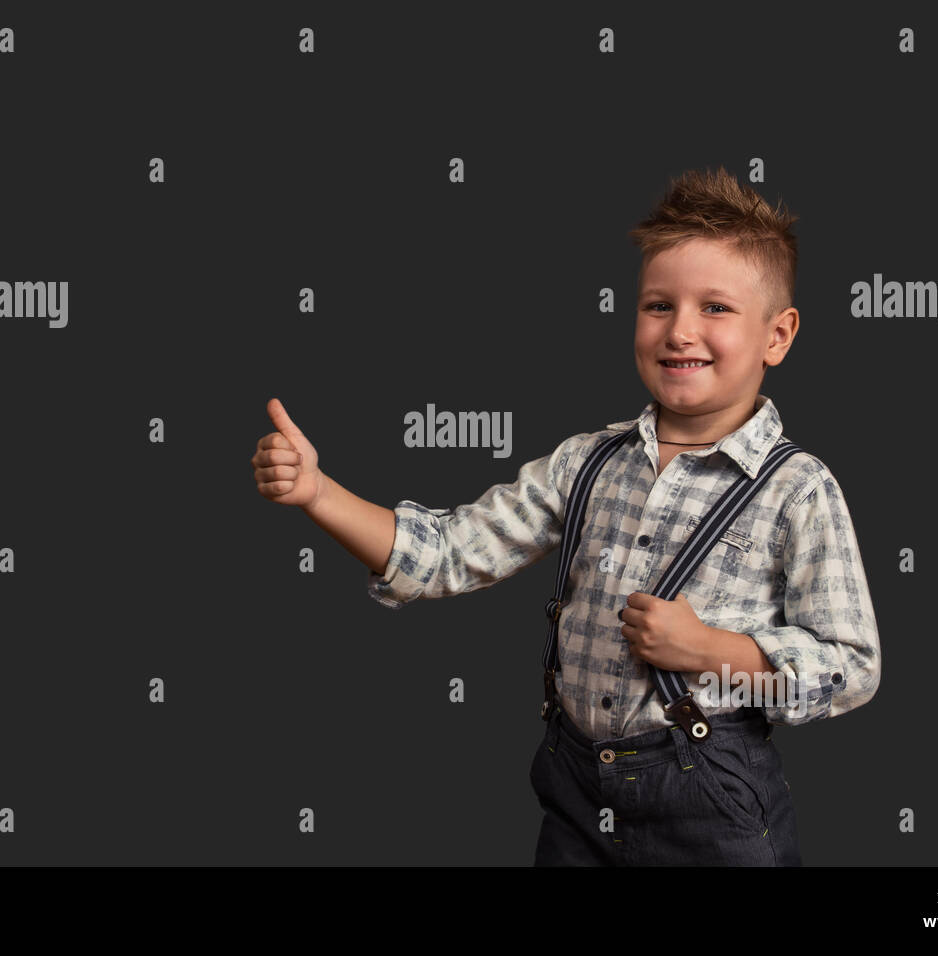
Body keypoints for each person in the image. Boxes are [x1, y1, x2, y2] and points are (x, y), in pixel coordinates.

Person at [251, 166, 881, 866]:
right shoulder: (586, 462)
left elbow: (850, 668)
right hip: (580, 795)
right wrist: (318, 494)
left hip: (715, 806)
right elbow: (449, 554)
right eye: (657, 305)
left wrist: (715, 653)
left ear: (778, 335)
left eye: (717, 309)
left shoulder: (796, 489)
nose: (680, 331)